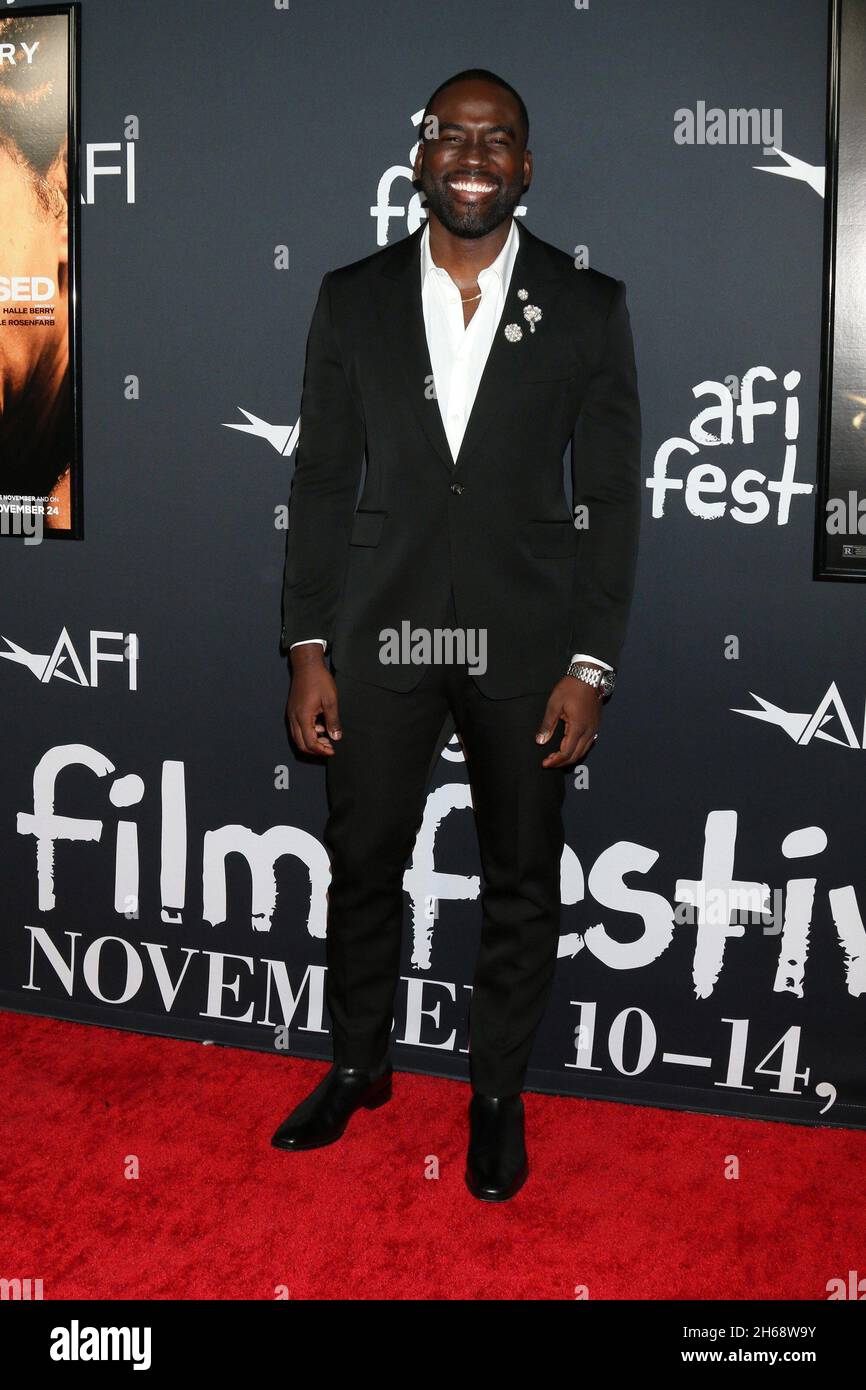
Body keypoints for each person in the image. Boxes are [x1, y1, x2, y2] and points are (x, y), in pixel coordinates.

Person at [273, 68, 642, 1201]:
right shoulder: (351, 296)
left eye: (497, 140)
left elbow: (612, 499)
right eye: (452, 136)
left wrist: (588, 661)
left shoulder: (587, 306)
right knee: (362, 861)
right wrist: (306, 644)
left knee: (520, 876)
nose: (472, 155)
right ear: (420, 154)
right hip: (379, 636)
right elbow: (326, 481)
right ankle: (356, 1063)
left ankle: (493, 1095)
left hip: (522, 646)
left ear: (524, 166)